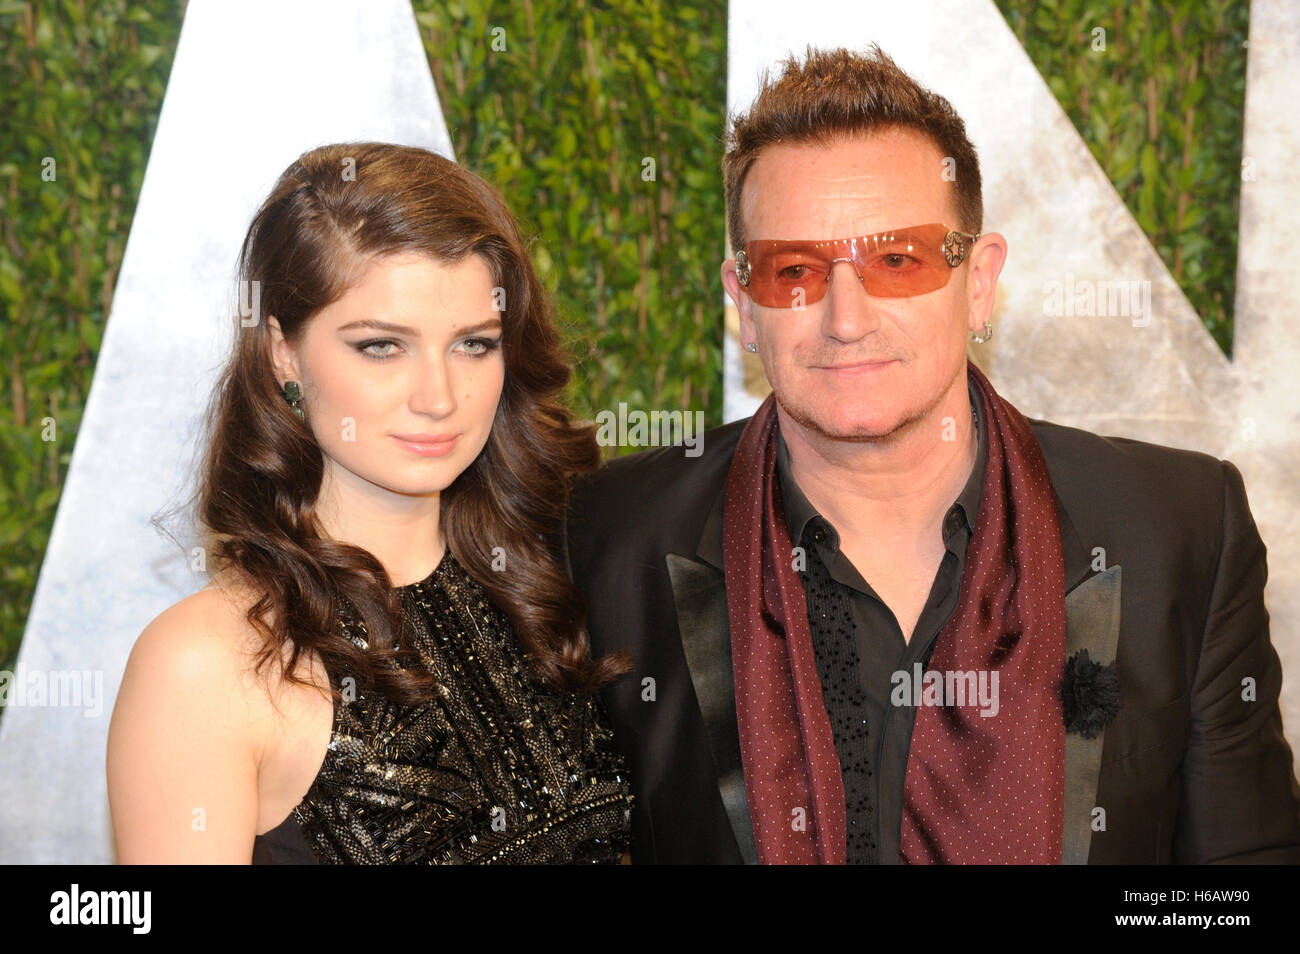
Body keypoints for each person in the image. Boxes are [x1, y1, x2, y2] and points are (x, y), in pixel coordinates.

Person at [564, 45, 1300, 864]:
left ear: (978, 282)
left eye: (897, 260)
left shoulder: (1181, 528)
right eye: (796, 269)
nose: (846, 317)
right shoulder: (606, 540)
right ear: (744, 302)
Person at [107, 142, 633, 864]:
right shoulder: (203, 665)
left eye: (473, 345)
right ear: (282, 355)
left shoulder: (556, 593)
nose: (439, 397)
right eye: (382, 346)